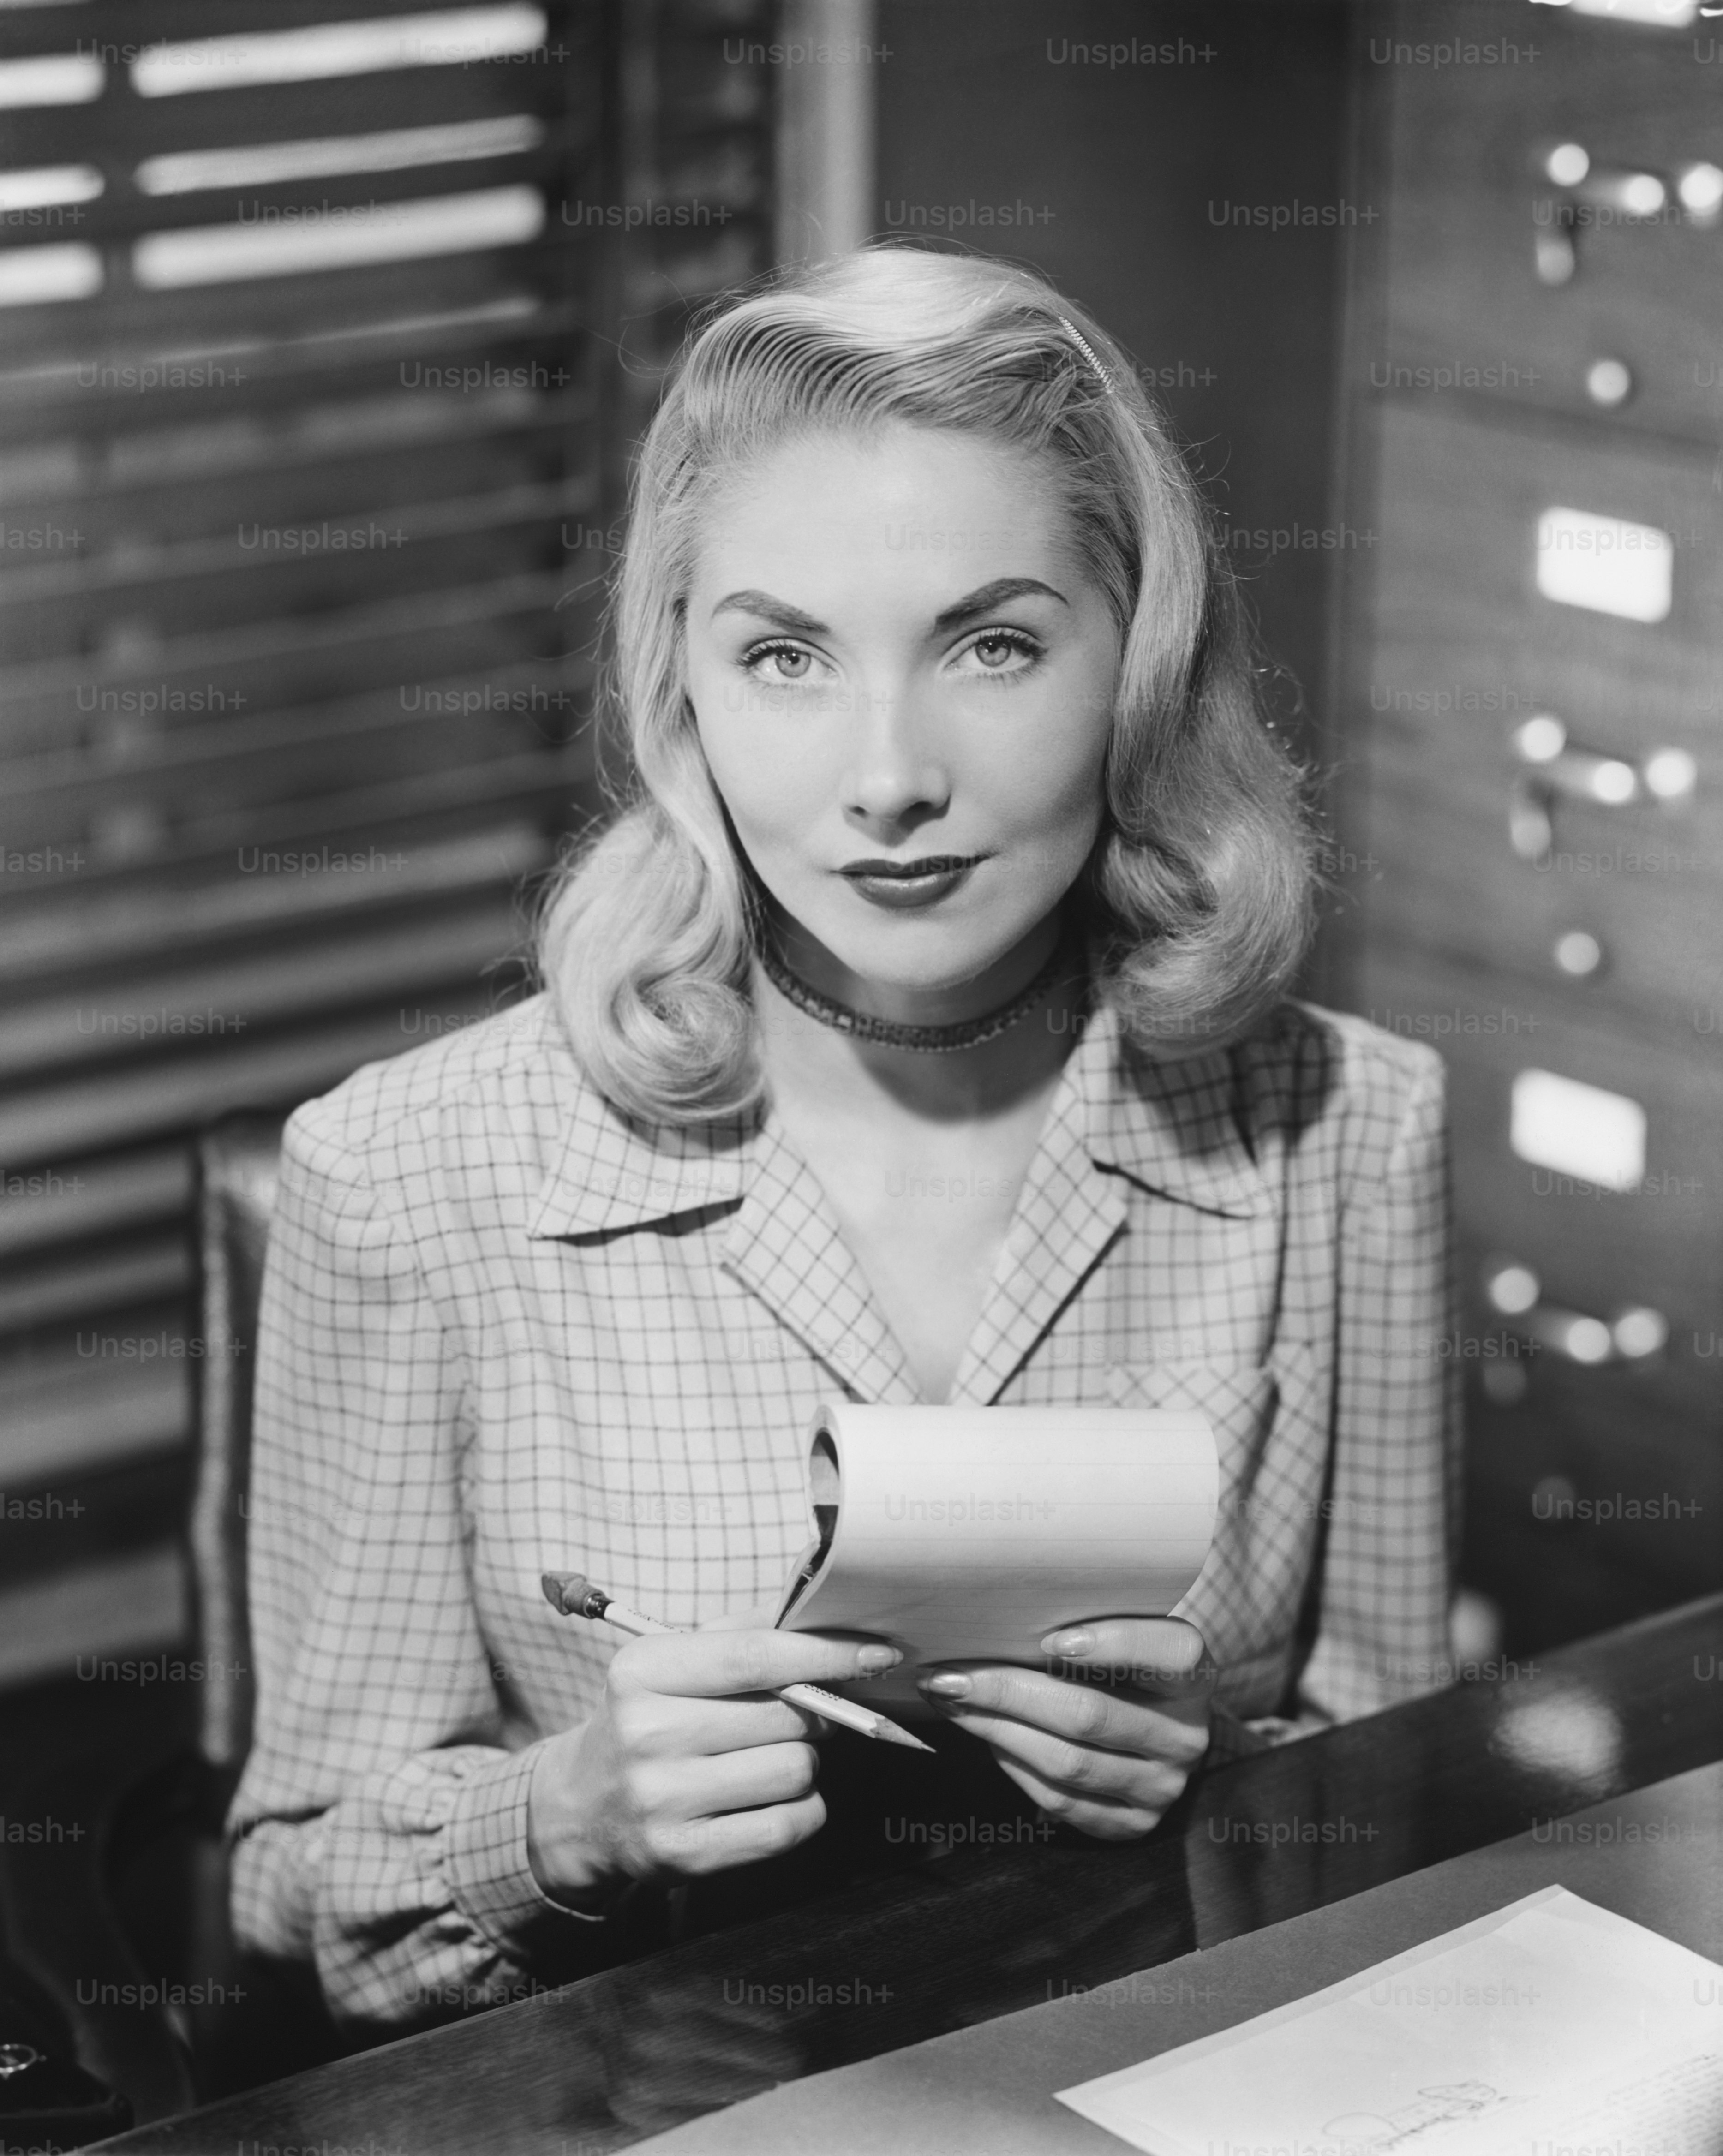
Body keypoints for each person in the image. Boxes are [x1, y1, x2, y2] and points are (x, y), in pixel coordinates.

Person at [229, 244, 1458, 2034]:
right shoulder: (410, 1173)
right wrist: (555, 1819)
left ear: (1138, 654)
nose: (887, 775)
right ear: (685, 692)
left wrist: (1223, 1759)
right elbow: (285, 1883)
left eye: (991, 643)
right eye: (786, 654)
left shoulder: (1349, 1123)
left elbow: (1409, 1801)